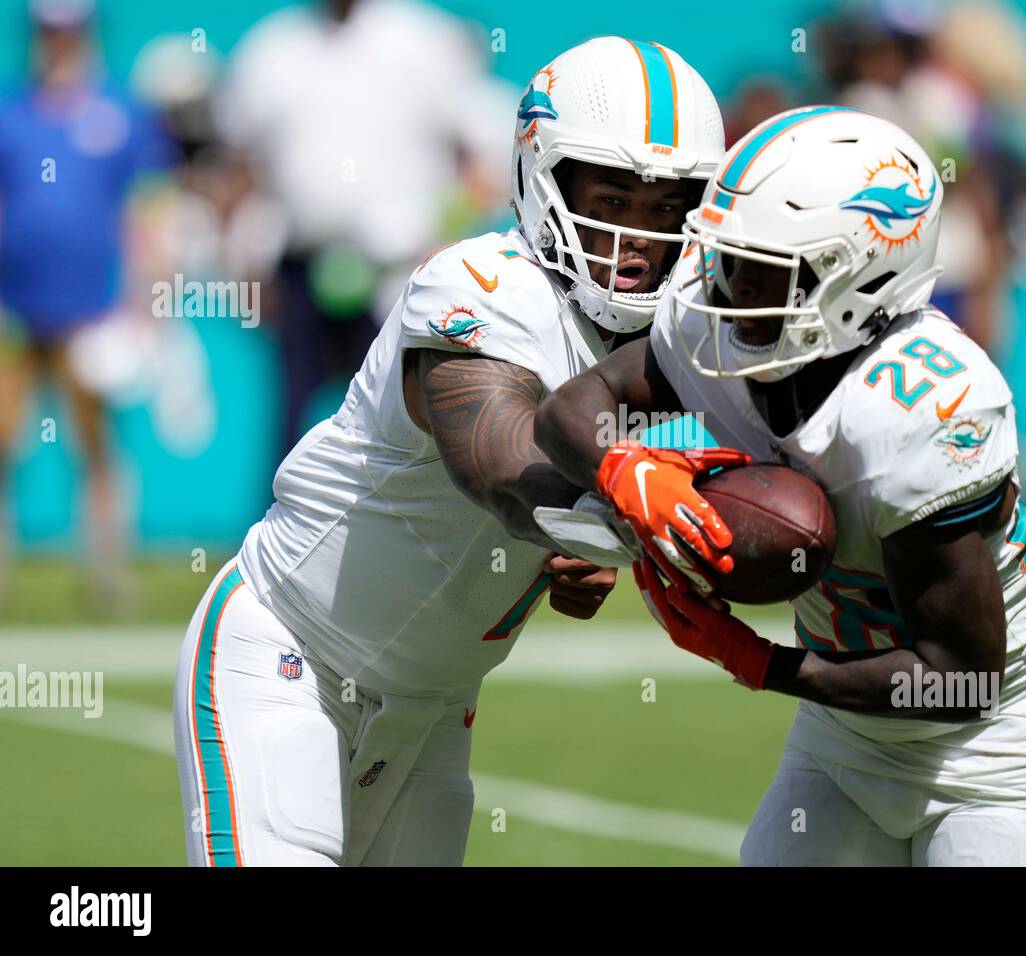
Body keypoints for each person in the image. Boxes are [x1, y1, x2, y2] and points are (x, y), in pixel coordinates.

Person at [172, 37, 725, 866]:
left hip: (434, 709)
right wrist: (618, 501)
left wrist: (578, 540)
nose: (636, 237)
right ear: (545, 181)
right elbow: (498, 464)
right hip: (291, 653)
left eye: (664, 208)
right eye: (611, 197)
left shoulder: (671, 331)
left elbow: (551, 499)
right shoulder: (480, 284)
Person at [535, 107, 1026, 866]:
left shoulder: (921, 407)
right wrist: (622, 473)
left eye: (761, 266)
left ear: (859, 272)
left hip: (994, 756)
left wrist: (760, 662)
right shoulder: (718, 326)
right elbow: (573, 407)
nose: (728, 293)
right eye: (728, 258)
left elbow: (961, 682)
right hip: (841, 741)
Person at [216, 0, 517, 453]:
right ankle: (287, 519)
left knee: (399, 408)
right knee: (292, 407)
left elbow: (480, 159)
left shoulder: (425, 38)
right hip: (301, 263)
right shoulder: (271, 48)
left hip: (402, 271)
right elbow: (238, 166)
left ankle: (406, 522)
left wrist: (435, 239)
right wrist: (244, 257)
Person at [0, 0, 173, 608]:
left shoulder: (120, 114)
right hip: (14, 311)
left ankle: (107, 572)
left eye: (68, 31)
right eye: (49, 32)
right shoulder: (10, 114)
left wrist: (149, 297)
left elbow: (147, 207)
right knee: (3, 438)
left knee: (95, 445)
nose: (59, 43)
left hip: (93, 310)